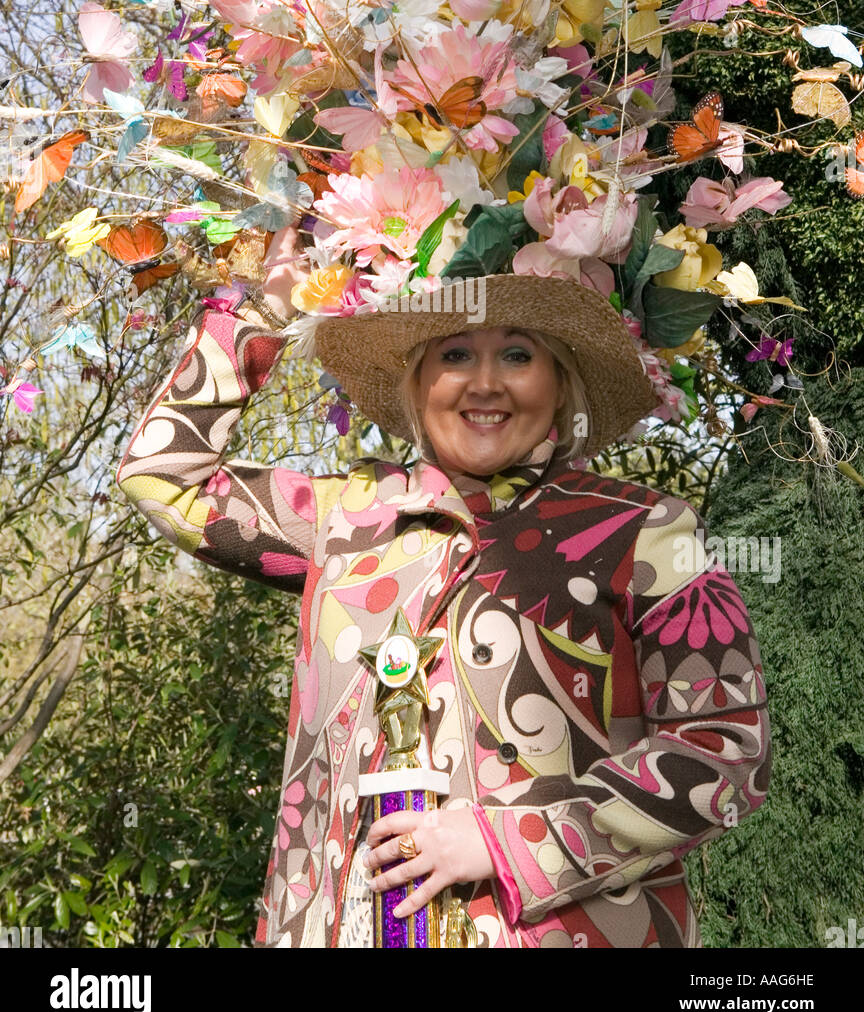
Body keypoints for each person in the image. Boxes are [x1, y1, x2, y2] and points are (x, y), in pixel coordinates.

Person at [116, 223, 771, 948]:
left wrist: (509, 842)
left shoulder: (646, 532)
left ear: (559, 385)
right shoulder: (343, 519)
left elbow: (725, 752)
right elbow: (161, 480)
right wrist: (264, 315)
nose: (484, 382)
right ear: (417, 382)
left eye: (517, 355)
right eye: (454, 354)